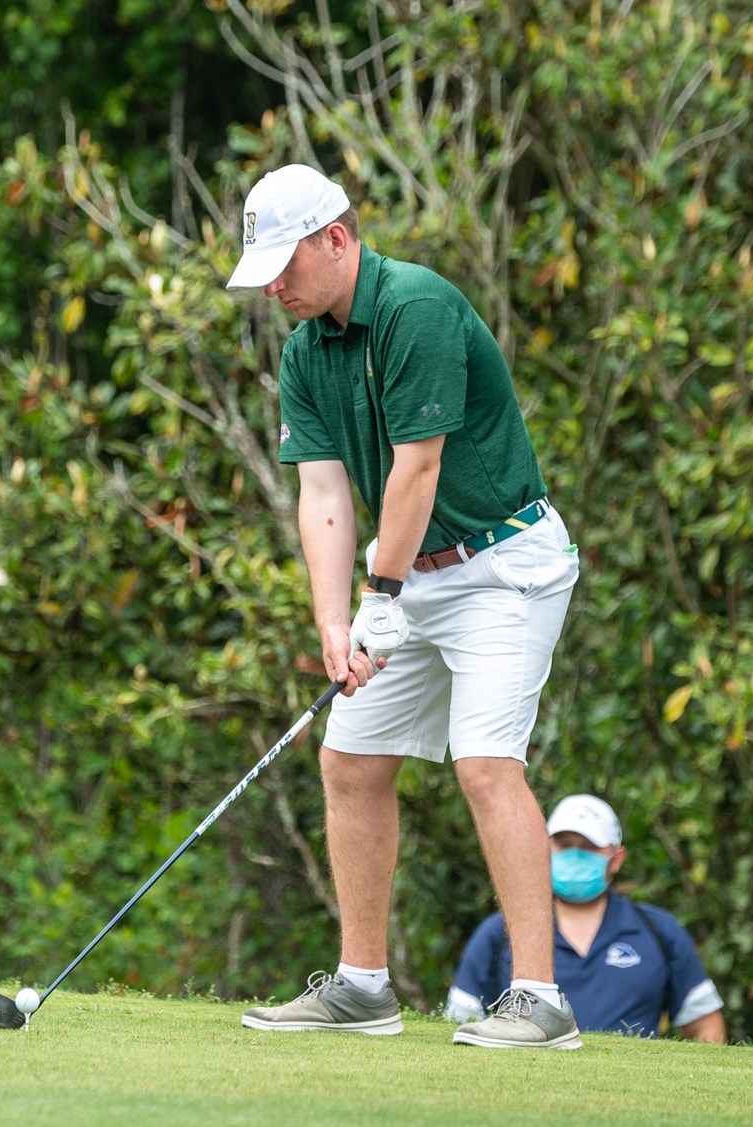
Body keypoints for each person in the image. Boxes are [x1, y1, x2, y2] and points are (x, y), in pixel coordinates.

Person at [225, 164, 584, 1049]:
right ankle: (361, 986)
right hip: (408, 573)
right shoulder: (306, 350)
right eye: (264, 269)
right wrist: (335, 622)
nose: (276, 285)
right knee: (350, 760)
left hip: (503, 563)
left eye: (287, 263)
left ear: (336, 239)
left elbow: (417, 467)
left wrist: (383, 596)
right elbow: (324, 496)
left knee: (485, 763)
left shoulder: (416, 307)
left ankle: (540, 1000)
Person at [447, 794, 725, 1042]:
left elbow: (707, 1029)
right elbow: (459, 1023)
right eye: (564, 844)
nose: (575, 855)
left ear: (616, 858)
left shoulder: (660, 931)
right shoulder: (499, 932)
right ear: (543, 849)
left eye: (589, 847)